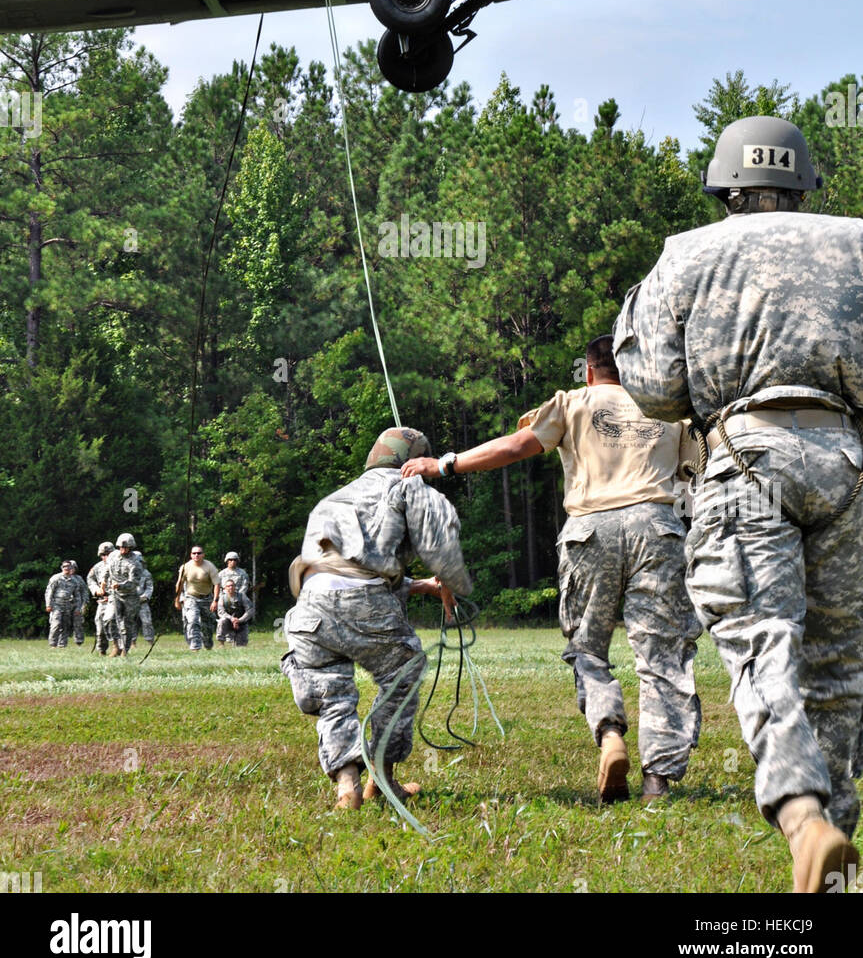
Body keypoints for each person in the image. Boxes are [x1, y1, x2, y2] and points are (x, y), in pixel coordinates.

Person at [613, 114, 863, 893]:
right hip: (849, 462)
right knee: (839, 673)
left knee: (762, 645)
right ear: (803, 183)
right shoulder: (858, 241)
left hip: (744, 457)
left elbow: (650, 390)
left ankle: (800, 816)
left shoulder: (686, 253)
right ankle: (833, 874)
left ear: (725, 187)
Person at [403, 336, 701, 803]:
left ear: (588, 371)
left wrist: (444, 465)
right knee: (663, 655)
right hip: (658, 528)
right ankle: (657, 781)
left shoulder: (571, 403)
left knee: (587, 648)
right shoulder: (668, 410)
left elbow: (517, 446)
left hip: (591, 530)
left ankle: (610, 736)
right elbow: (698, 471)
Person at [282, 426, 471, 810]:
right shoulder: (408, 485)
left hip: (309, 609)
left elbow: (346, 570)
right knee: (404, 672)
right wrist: (453, 581)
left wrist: (422, 586)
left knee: (333, 693)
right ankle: (382, 779)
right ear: (415, 463)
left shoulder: (330, 500)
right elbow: (439, 540)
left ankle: (347, 784)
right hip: (361, 601)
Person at [103, 534, 143, 656]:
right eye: (121, 547)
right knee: (109, 619)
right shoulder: (113, 556)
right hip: (114, 595)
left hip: (130, 596)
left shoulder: (135, 562)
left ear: (131, 547)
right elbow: (107, 569)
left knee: (127, 624)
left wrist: (120, 585)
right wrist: (103, 582)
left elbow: (134, 582)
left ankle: (125, 649)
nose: (123, 550)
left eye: (126, 547)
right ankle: (115, 645)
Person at [175, 543, 219, 651]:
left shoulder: (210, 566)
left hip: (206, 598)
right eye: (194, 553)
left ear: (203, 555)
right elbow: (179, 584)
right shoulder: (185, 567)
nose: (196, 555)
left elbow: (217, 584)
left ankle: (208, 645)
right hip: (191, 598)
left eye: (199, 553)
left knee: (207, 626)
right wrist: (177, 599)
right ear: (190, 555)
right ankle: (195, 647)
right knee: (193, 621)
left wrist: (215, 601)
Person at [86, 542, 116, 656]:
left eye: (108, 554)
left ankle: (118, 648)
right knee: (100, 626)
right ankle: (101, 650)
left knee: (115, 624)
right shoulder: (97, 567)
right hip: (103, 601)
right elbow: (90, 579)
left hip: (117, 599)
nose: (106, 557)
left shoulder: (120, 565)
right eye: (103, 554)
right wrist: (96, 589)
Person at [44, 561, 80, 649]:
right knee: (56, 624)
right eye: (64, 566)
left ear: (71, 568)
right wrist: (48, 605)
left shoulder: (75, 581)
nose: (66, 568)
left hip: (68, 605)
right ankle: (53, 644)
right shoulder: (56, 578)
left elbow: (77, 596)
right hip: (56, 604)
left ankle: (62, 645)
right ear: (62, 567)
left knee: (65, 625)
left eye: (68, 566)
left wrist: (78, 608)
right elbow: (49, 592)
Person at [216, 578, 254, 647]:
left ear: (235, 587)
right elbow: (221, 612)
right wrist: (232, 619)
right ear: (225, 588)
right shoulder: (222, 598)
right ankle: (221, 643)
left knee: (241, 646)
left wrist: (239, 620)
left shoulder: (242, 596)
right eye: (228, 586)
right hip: (228, 622)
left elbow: (250, 610)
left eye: (232, 585)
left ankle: (237, 639)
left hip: (241, 623)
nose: (230, 587)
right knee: (222, 621)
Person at [133, 550, 155, 649]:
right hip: (130, 602)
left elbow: (150, 587)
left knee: (147, 622)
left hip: (143, 602)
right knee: (131, 623)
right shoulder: (127, 571)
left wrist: (145, 597)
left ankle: (150, 642)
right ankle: (132, 643)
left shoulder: (146, 573)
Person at [68, 561, 89, 647]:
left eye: (73, 568)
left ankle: (79, 642)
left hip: (77, 604)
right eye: (70, 567)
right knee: (62, 623)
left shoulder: (79, 579)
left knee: (78, 624)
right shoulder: (59, 578)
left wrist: (85, 603)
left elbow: (84, 591)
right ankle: (60, 643)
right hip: (64, 604)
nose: (71, 570)